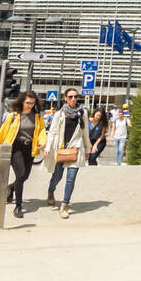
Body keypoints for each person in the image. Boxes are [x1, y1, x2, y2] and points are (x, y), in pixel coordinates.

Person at [0, 90, 45, 218]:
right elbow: (2, 132)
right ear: (22, 102)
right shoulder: (13, 116)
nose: (30, 105)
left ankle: (11, 188)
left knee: (25, 176)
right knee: (20, 174)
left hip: (30, 148)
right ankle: (18, 206)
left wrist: (42, 142)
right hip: (15, 148)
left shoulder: (37, 116)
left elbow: (41, 130)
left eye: (32, 103)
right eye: (27, 103)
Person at [44, 88, 90, 218]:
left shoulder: (83, 113)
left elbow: (85, 132)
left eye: (75, 96)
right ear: (65, 98)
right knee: (57, 176)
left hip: (76, 150)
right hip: (61, 150)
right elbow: (52, 132)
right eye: (70, 97)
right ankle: (51, 190)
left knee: (71, 179)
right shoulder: (59, 114)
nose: (73, 99)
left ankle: (64, 206)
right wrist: (48, 147)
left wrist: (87, 150)